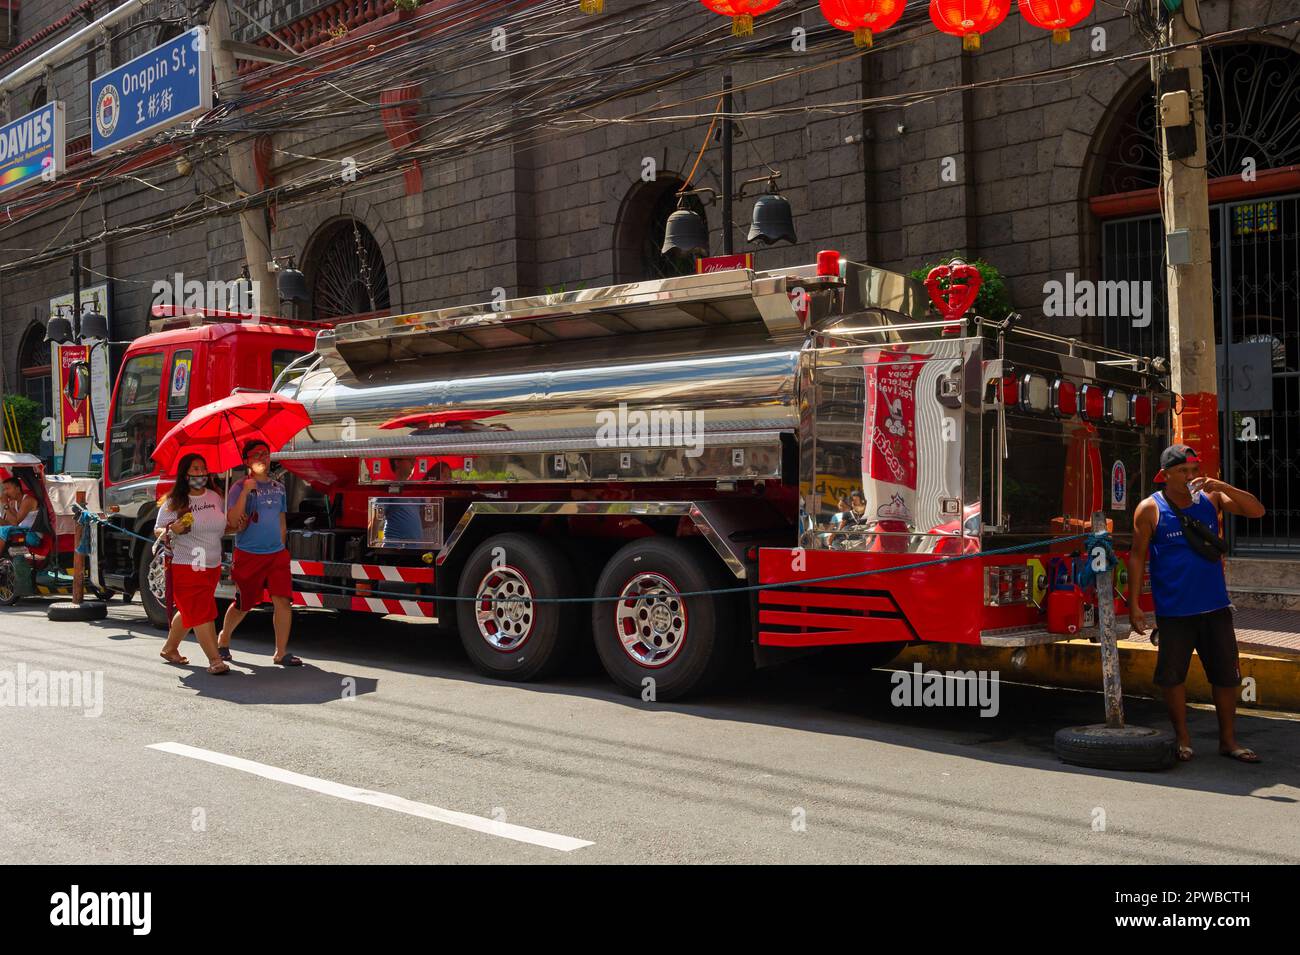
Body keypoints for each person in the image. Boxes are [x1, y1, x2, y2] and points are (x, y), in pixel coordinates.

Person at [1128, 444, 1266, 764]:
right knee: (1173, 677)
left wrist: (1224, 487)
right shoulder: (1150, 508)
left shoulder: (1211, 499)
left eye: (1194, 470)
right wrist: (1136, 605)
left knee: (1226, 675)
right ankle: (1183, 739)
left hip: (1215, 606)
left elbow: (1256, 511)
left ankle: (1228, 741)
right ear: (1165, 476)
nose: (1190, 477)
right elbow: (1137, 557)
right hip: (1175, 610)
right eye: (1182, 472)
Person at [219, 440, 301, 666]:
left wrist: (282, 548)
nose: (263, 458)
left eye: (266, 453)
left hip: (276, 554)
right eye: (257, 454)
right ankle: (224, 638)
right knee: (244, 603)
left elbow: (281, 521)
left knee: (282, 601)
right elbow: (232, 521)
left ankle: (281, 652)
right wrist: (246, 490)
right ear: (247, 461)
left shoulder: (279, 488)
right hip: (248, 554)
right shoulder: (238, 488)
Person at [156, 454, 229, 675]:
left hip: (212, 565)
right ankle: (215, 659)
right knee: (201, 611)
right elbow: (158, 529)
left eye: (203, 469)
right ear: (185, 474)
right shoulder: (174, 501)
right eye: (195, 469)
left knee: (192, 609)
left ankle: (170, 648)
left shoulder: (216, 497)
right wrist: (170, 529)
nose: (200, 473)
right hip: (187, 564)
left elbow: (221, 527)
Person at [0, 477, 40, 555]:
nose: (5, 492)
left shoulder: (28, 500)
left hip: (32, 535)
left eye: (8, 489)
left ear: (18, 489)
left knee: (2, 530)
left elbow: (15, 522)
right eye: (4, 489)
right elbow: (9, 523)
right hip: (21, 532)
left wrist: (5, 505)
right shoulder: (13, 503)